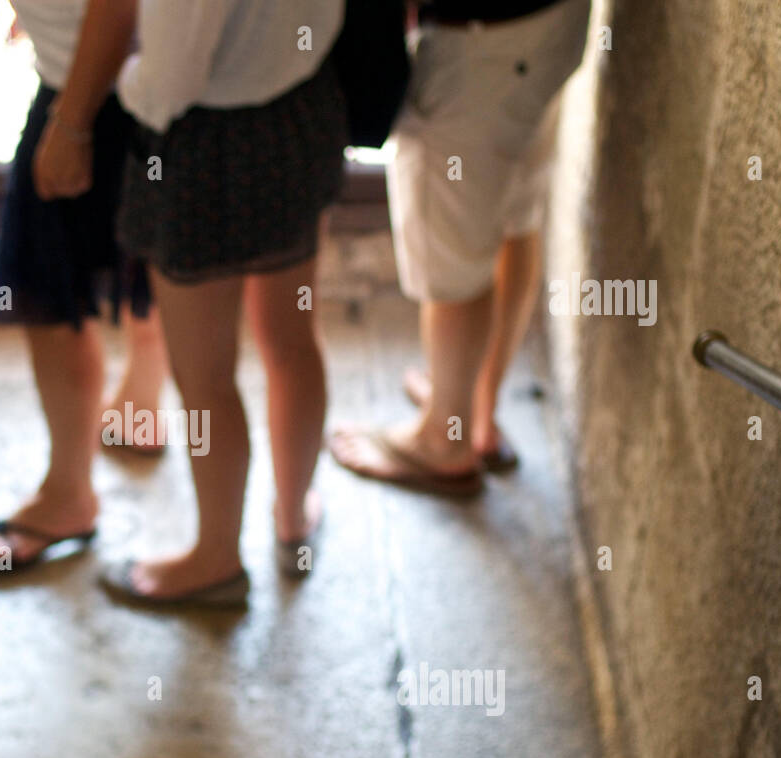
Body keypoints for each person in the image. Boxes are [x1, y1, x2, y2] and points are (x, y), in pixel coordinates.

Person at [97, 0, 348, 607]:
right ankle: (293, 519)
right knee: (291, 341)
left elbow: (167, 84)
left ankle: (216, 558)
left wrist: (111, 69)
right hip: (296, 112)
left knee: (205, 378)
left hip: (203, 147)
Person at [331, 0, 591, 493]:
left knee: (451, 263)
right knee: (514, 216)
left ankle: (443, 441)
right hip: (550, 23)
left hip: (479, 44)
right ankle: (477, 410)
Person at [0, 0, 165, 571]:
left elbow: (115, 8)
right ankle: (140, 407)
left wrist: (71, 124)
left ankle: (67, 494)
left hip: (98, 94)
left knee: (48, 294)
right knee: (153, 267)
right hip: (158, 86)